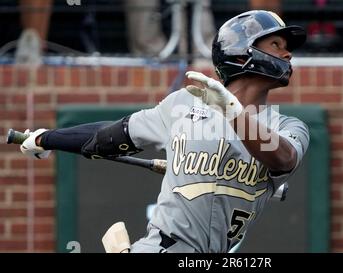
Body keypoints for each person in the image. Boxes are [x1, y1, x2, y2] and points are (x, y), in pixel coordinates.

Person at [19, 10, 310, 253]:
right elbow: (110, 137)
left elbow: (283, 159)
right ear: (241, 49)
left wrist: (233, 112)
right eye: (276, 44)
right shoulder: (184, 104)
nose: (287, 54)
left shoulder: (288, 128)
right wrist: (47, 137)